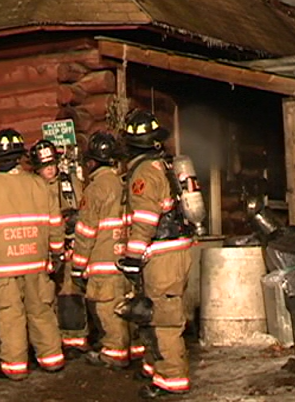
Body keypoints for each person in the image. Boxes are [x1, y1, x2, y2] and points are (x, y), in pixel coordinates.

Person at [0, 128, 65, 381]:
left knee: (10, 316)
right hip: (37, 262)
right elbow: (55, 224)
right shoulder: (40, 185)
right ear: (21, 155)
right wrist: (57, 254)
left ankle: (15, 367)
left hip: (4, 266)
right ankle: (52, 359)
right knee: (41, 311)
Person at [116, 110, 193, 399]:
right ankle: (154, 365)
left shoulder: (145, 173)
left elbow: (146, 219)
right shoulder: (164, 165)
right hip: (173, 252)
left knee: (164, 319)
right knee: (153, 312)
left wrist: (133, 258)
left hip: (162, 255)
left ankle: (171, 380)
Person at [71, 131, 145, 370]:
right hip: (126, 259)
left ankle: (114, 353)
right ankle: (136, 349)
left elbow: (85, 232)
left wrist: (77, 266)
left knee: (107, 308)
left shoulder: (94, 190)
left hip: (103, 263)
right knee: (128, 305)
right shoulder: (125, 184)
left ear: (91, 162)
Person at [29, 139, 89, 359]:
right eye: (45, 166)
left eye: (52, 163)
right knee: (44, 295)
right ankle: (49, 340)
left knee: (69, 291)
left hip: (69, 244)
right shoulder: (32, 187)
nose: (50, 169)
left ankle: (74, 339)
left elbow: (82, 206)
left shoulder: (69, 182)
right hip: (41, 247)